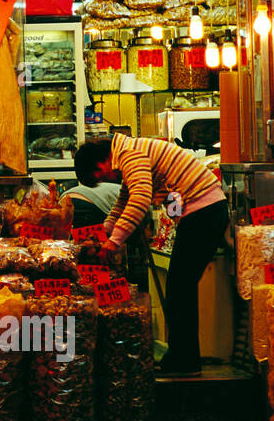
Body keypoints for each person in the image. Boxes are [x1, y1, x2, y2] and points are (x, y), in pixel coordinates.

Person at [74, 133, 229, 376]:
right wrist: (102, 231)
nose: (106, 178)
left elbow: (139, 200)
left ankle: (185, 361)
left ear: (101, 161)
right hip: (202, 212)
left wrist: (113, 243)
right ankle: (181, 357)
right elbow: (123, 201)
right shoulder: (129, 153)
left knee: (180, 287)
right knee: (181, 287)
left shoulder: (129, 154)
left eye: (100, 175)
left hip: (204, 212)